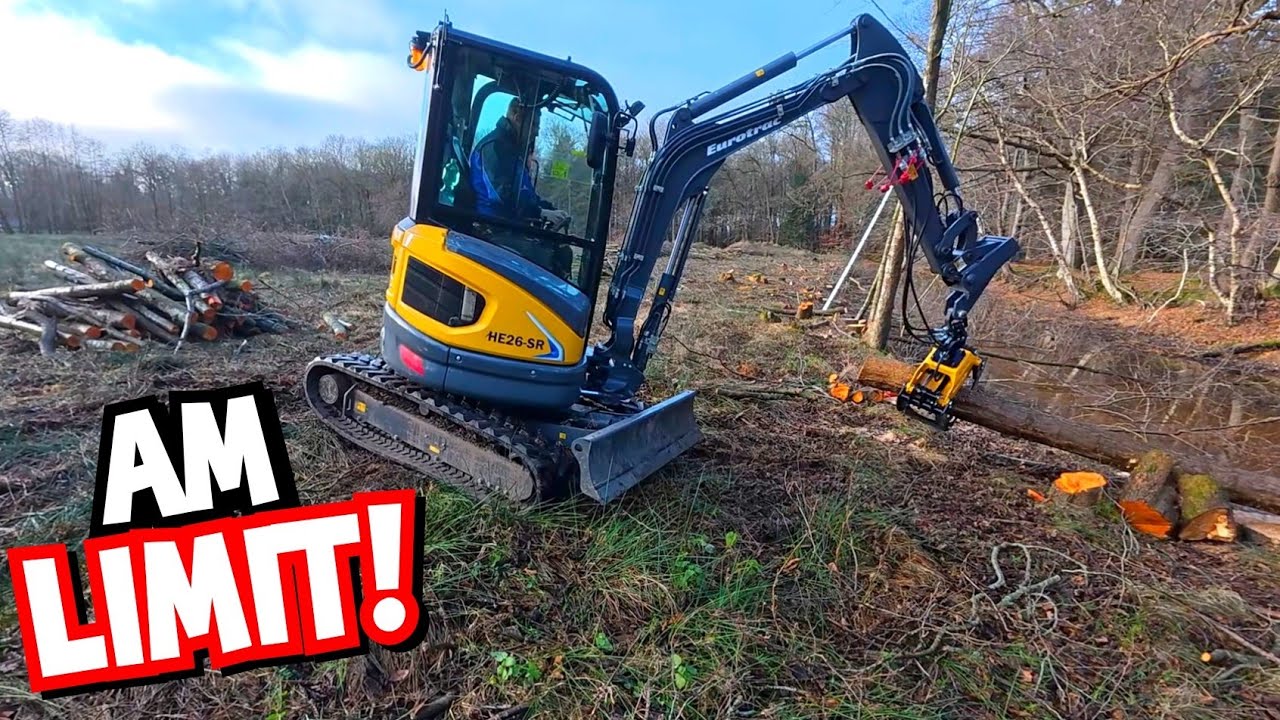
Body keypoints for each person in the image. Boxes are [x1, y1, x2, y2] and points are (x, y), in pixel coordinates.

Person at [470, 97, 570, 229]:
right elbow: (501, 197)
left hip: (508, 226)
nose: (537, 132)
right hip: (492, 227)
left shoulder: (513, 151)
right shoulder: (494, 147)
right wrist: (540, 213)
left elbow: (525, 195)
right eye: (533, 125)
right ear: (517, 118)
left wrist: (551, 210)